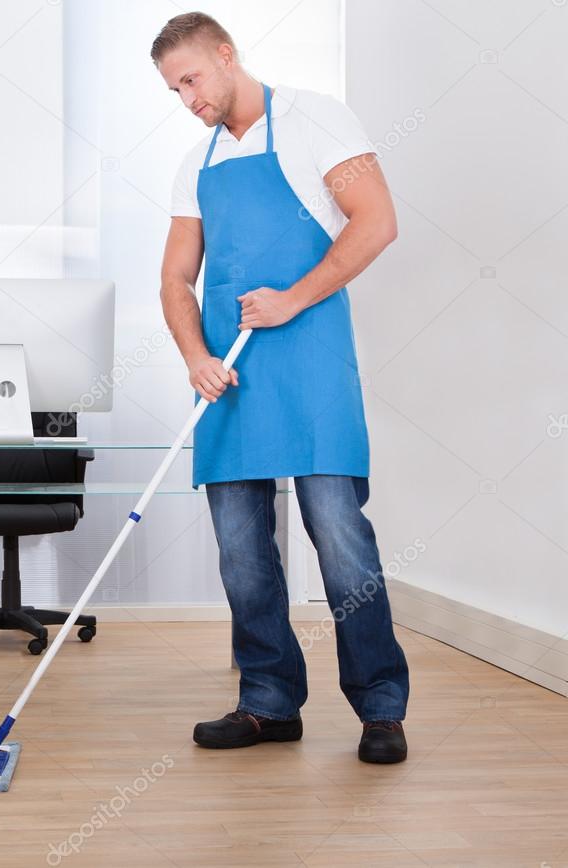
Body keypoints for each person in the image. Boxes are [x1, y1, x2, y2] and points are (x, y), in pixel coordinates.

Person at [152, 11, 410, 763]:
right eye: (174, 89)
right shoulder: (194, 164)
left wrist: (293, 299)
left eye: (192, 79)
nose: (187, 99)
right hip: (230, 375)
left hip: (310, 357)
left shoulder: (316, 119)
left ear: (227, 57)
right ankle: (268, 701)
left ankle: (380, 708)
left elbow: (377, 221)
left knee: (339, 534)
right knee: (240, 548)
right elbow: (174, 279)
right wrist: (195, 355)